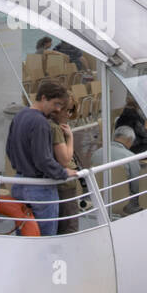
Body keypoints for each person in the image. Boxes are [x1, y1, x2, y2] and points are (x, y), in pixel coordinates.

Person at [6, 80, 78, 236]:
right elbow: (43, 160)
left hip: (19, 184)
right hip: (40, 188)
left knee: (23, 235)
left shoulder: (19, 116)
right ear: (44, 98)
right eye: (56, 103)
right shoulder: (40, 122)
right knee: (45, 239)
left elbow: (9, 150)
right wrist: (64, 172)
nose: (58, 109)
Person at [49, 96, 84, 233]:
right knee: (69, 227)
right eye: (67, 110)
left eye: (71, 111)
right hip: (64, 184)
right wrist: (70, 137)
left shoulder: (49, 125)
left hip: (58, 184)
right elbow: (65, 159)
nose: (68, 115)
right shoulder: (56, 129)